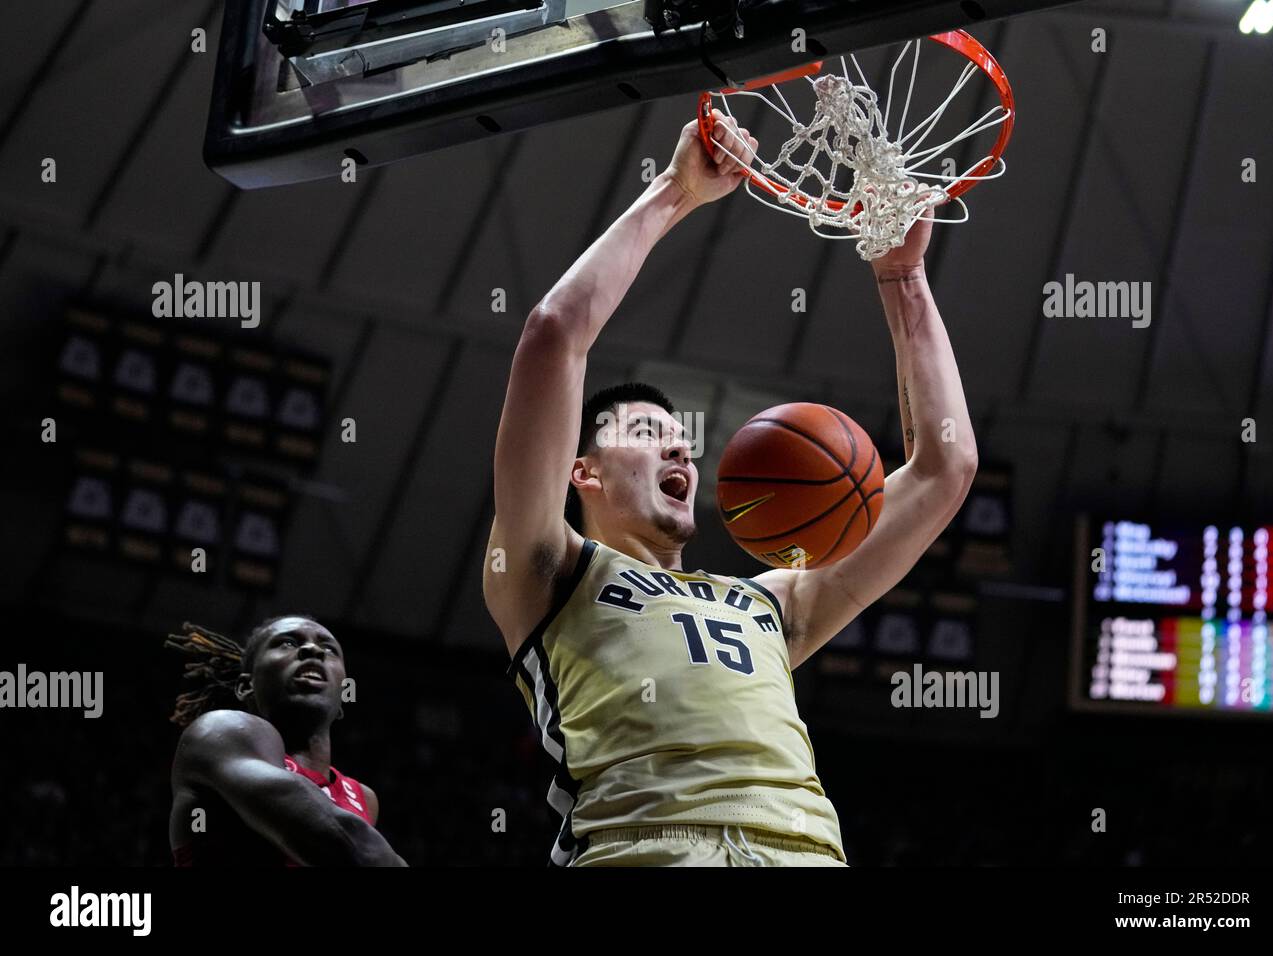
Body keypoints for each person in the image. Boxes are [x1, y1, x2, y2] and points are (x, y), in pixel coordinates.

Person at [484, 111, 977, 866]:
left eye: (680, 434)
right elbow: (555, 333)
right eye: (647, 433)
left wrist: (902, 278)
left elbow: (946, 469)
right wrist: (674, 193)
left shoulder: (774, 603)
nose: (679, 441)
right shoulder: (548, 571)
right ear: (581, 472)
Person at [166, 615, 405, 866]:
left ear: (344, 696)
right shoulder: (217, 731)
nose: (313, 649)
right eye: (288, 643)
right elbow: (340, 841)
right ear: (246, 685)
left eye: (329, 648)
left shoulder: (363, 798)